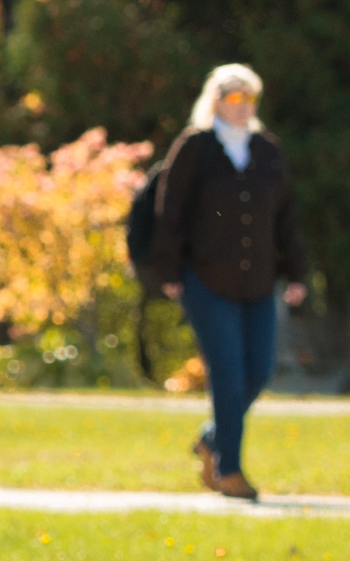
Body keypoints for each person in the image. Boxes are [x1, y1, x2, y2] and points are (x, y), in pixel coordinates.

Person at [134, 63, 305, 501]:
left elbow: (285, 217)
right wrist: (168, 271)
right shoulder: (195, 147)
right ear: (216, 100)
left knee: (258, 371)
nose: (243, 105)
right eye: (234, 96)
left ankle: (212, 439)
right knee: (227, 374)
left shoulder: (267, 150)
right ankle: (228, 470)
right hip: (205, 279)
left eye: (250, 97)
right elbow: (170, 210)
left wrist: (297, 272)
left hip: (259, 281)